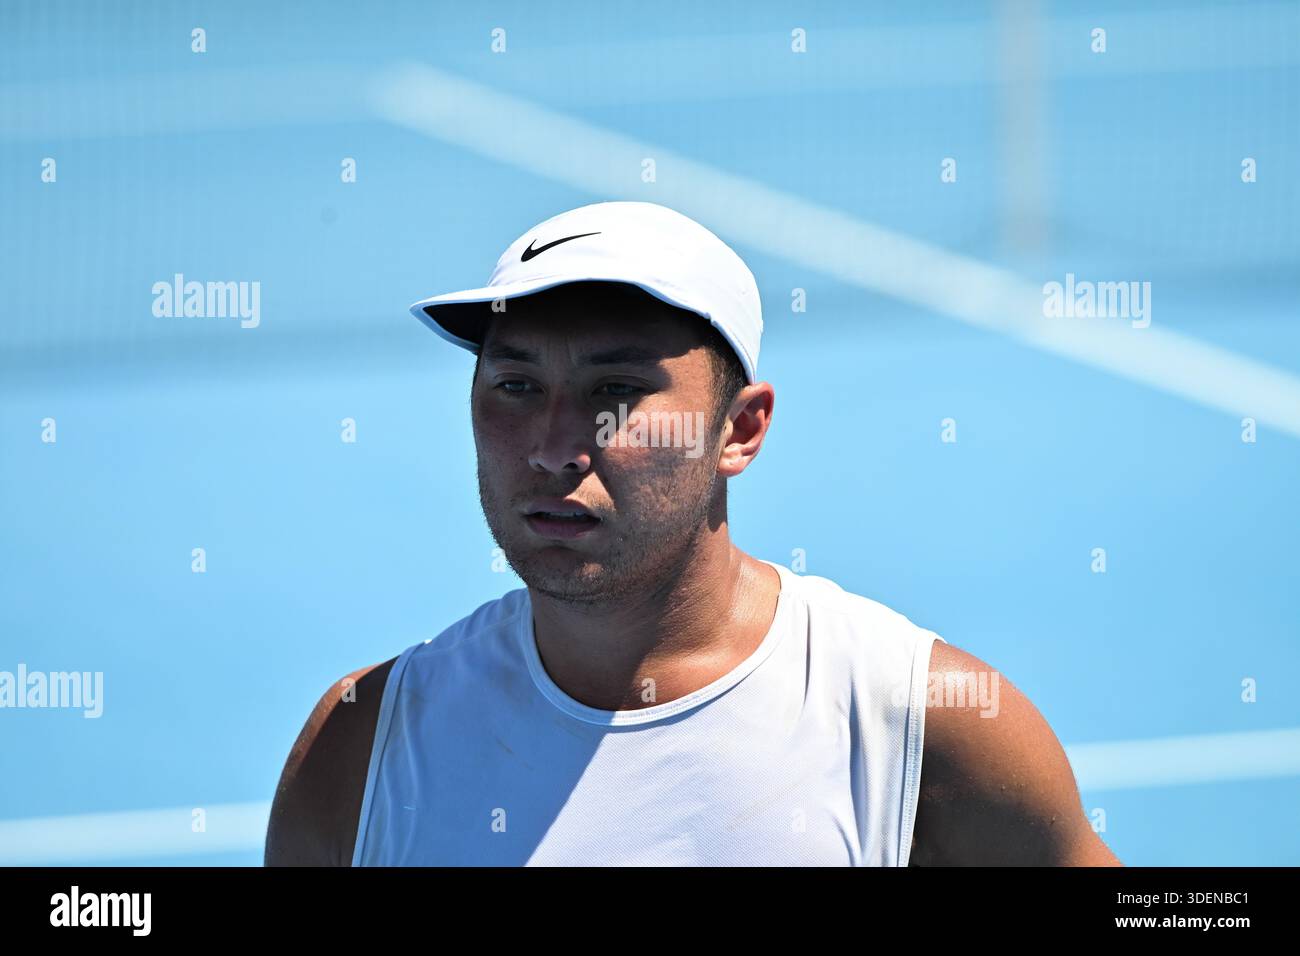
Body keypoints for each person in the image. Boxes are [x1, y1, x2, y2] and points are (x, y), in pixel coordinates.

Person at [265, 201, 1122, 866]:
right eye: (516, 386)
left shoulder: (927, 722)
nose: (554, 447)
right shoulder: (359, 747)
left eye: (616, 393)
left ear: (739, 430)